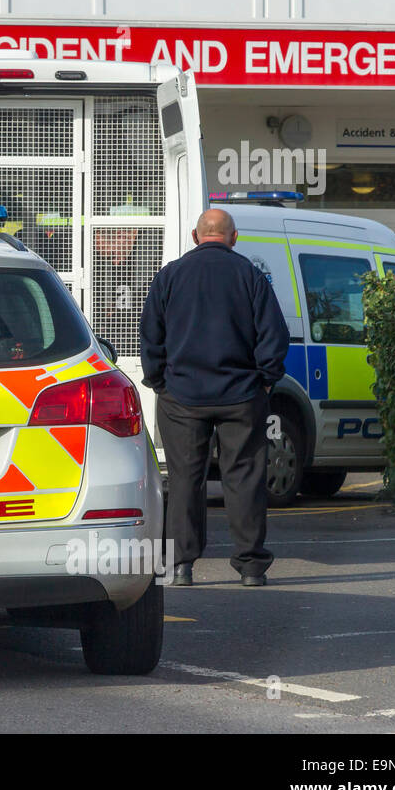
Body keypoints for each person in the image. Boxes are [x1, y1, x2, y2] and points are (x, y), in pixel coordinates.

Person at [139, 209, 289, 587]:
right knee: (245, 478)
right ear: (233, 238)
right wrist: (265, 381)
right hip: (241, 395)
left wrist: (160, 381)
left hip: (183, 396)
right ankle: (251, 567)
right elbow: (275, 335)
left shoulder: (169, 276)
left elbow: (150, 335)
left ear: (195, 236)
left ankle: (181, 565)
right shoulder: (251, 276)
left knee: (185, 478)